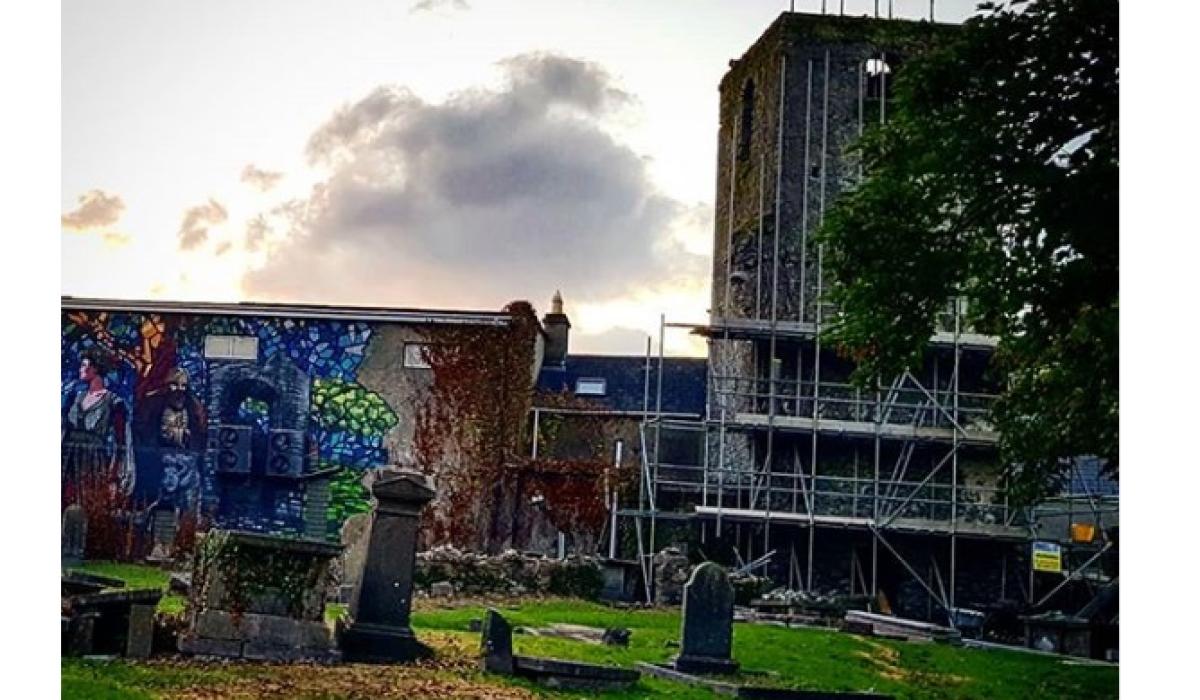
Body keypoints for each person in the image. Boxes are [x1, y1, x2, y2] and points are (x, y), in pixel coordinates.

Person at [62, 348, 135, 508]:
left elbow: (120, 442)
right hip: (68, 459)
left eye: (84, 365)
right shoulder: (76, 397)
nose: (81, 369)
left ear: (95, 369)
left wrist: (114, 473)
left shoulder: (113, 402)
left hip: (93, 460)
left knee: (89, 502)